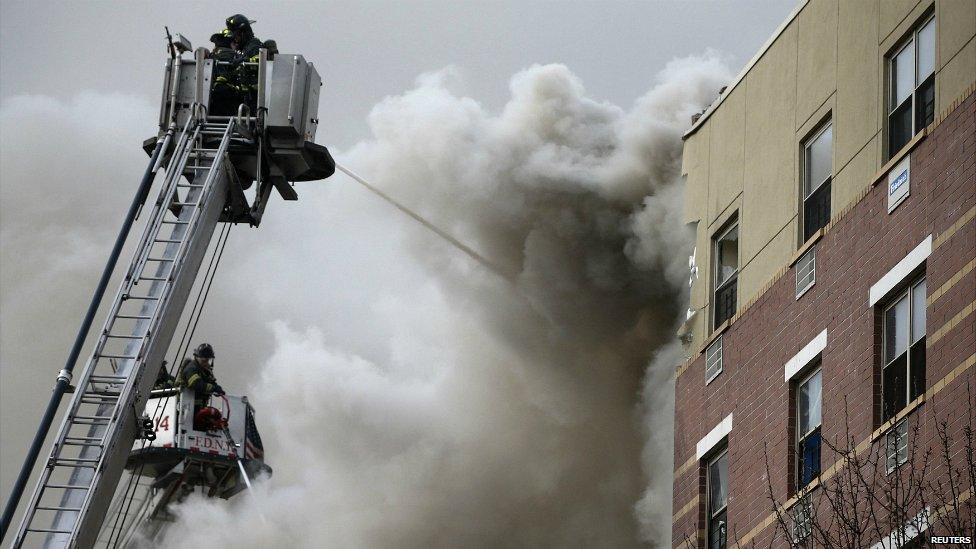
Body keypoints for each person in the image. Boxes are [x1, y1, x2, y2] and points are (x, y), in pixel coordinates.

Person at [177, 343, 225, 418]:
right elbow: (196, 383)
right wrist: (213, 388)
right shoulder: (191, 368)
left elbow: (210, 382)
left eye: (208, 360)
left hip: (198, 408)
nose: (206, 363)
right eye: (204, 360)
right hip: (187, 410)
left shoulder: (205, 371)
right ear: (197, 357)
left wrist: (217, 388)